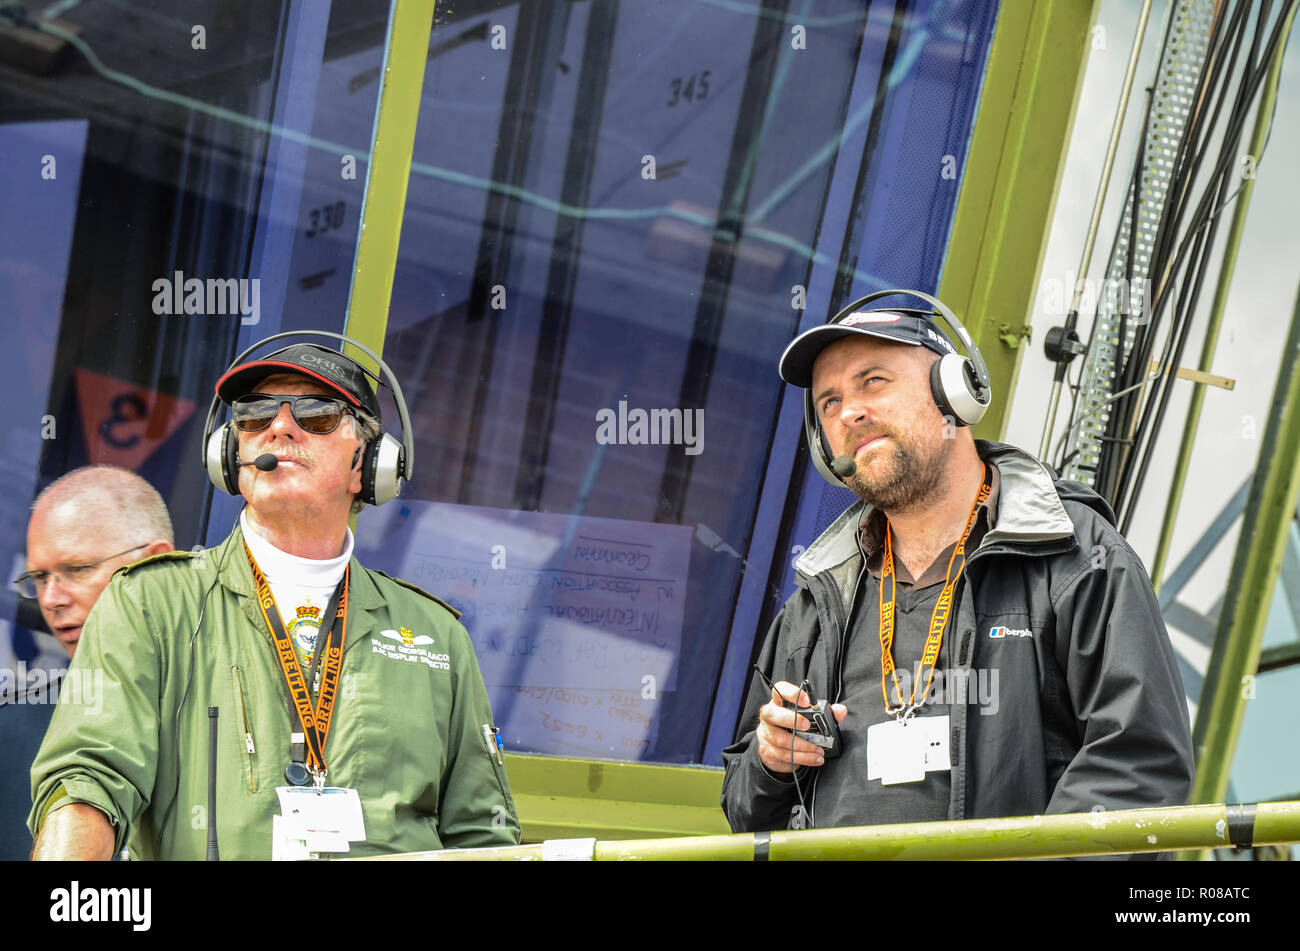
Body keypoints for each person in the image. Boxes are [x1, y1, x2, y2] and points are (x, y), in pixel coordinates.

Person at [720, 297, 1195, 856]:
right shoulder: (817, 605)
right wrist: (771, 763)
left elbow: (1138, 770)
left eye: (872, 381)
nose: (848, 412)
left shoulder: (1078, 558)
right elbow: (744, 808)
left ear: (955, 391)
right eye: (830, 402)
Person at [29, 342, 521, 859]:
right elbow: (87, 779)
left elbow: (481, 836)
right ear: (229, 454)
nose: (279, 427)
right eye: (255, 413)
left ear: (368, 465)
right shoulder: (151, 602)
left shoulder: (436, 634)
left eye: (317, 414)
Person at [2, 466, 174, 861]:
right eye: (40, 578)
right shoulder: (11, 733)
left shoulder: (242, 712)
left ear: (158, 566)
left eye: (77, 570)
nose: (51, 599)